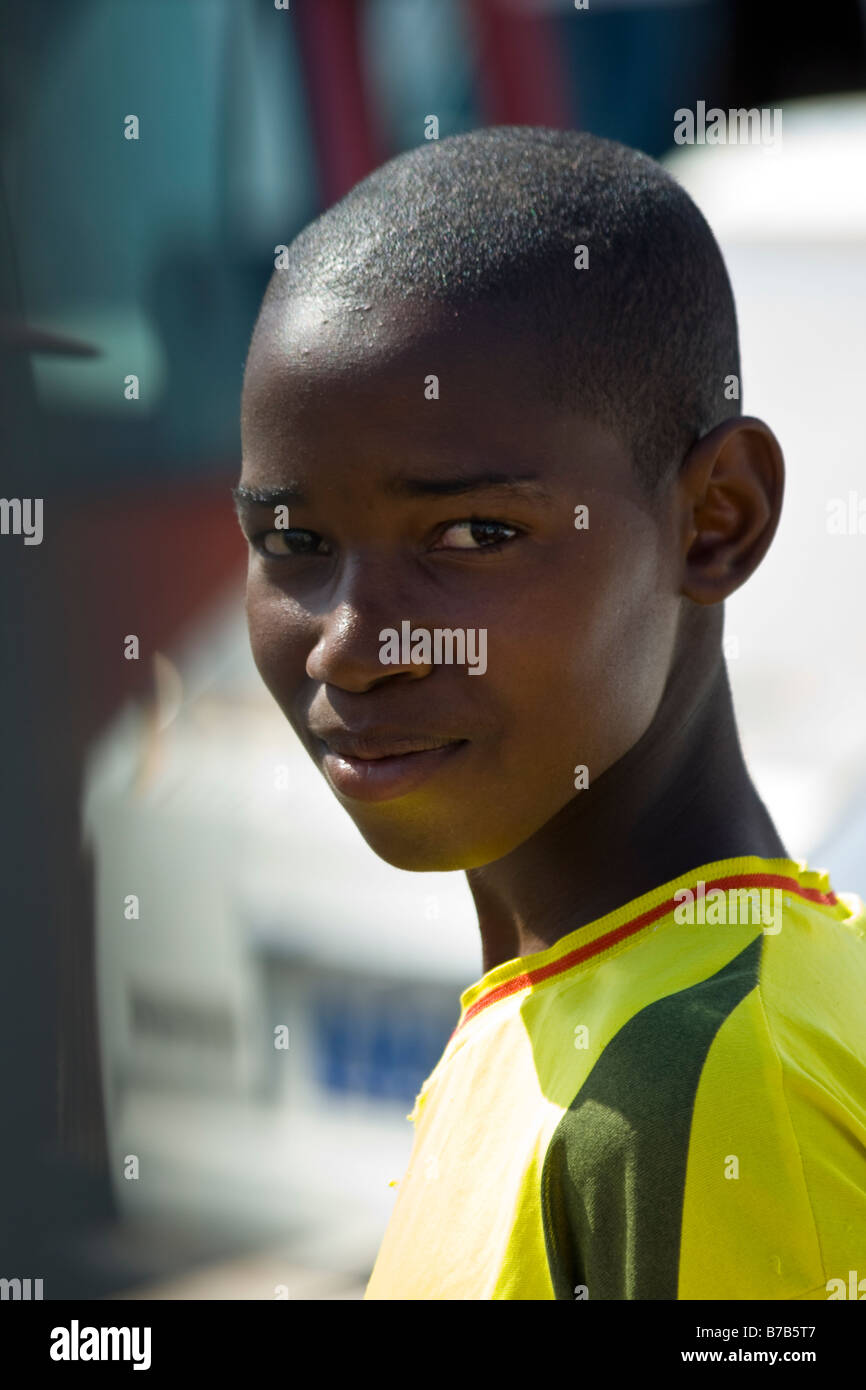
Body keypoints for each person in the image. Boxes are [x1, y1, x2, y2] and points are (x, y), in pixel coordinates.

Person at [233, 126, 866, 1300]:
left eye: (472, 535)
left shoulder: (711, 1072)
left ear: (714, 520)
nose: (353, 645)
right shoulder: (582, 1008)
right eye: (294, 542)